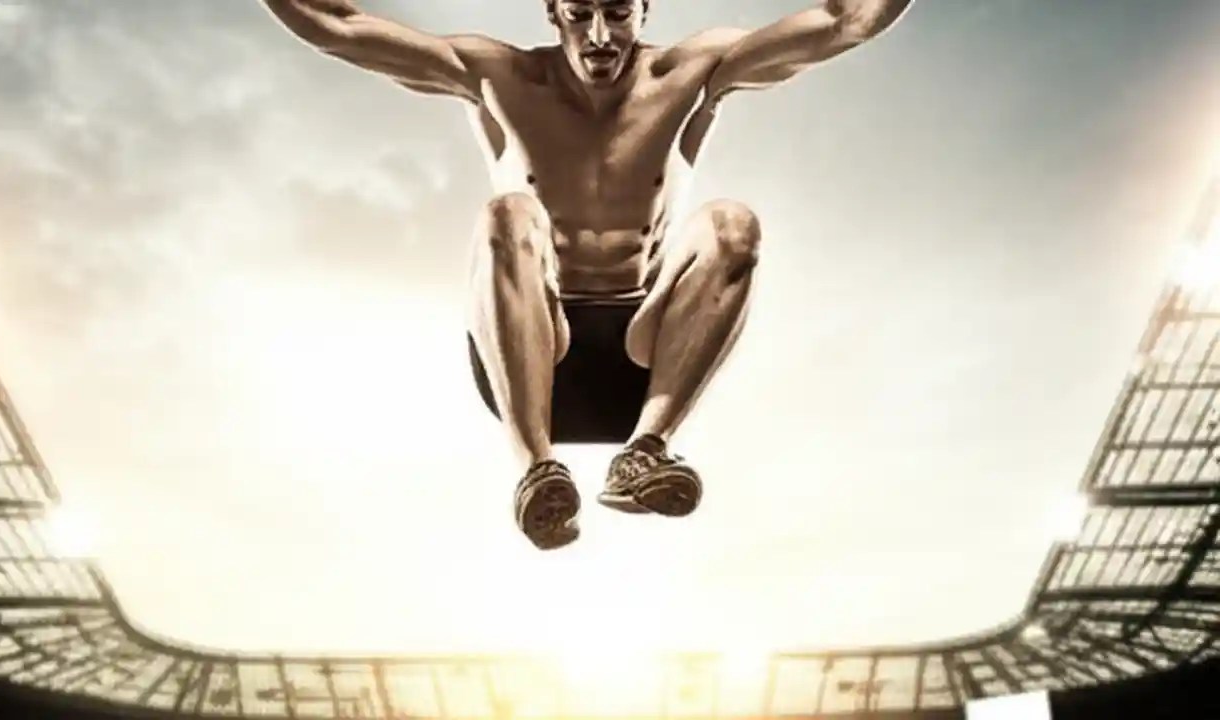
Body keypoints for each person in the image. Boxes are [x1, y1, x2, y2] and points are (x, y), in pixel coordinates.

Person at [259, 0, 913, 550]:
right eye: (580, 14)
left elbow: (846, 19)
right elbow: (335, 26)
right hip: (538, 348)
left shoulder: (693, 73)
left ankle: (647, 453)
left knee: (731, 224)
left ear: (645, 9)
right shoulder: (494, 75)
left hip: (647, 353)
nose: (600, 37)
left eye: (618, 13)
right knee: (511, 213)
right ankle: (536, 470)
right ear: (553, 13)